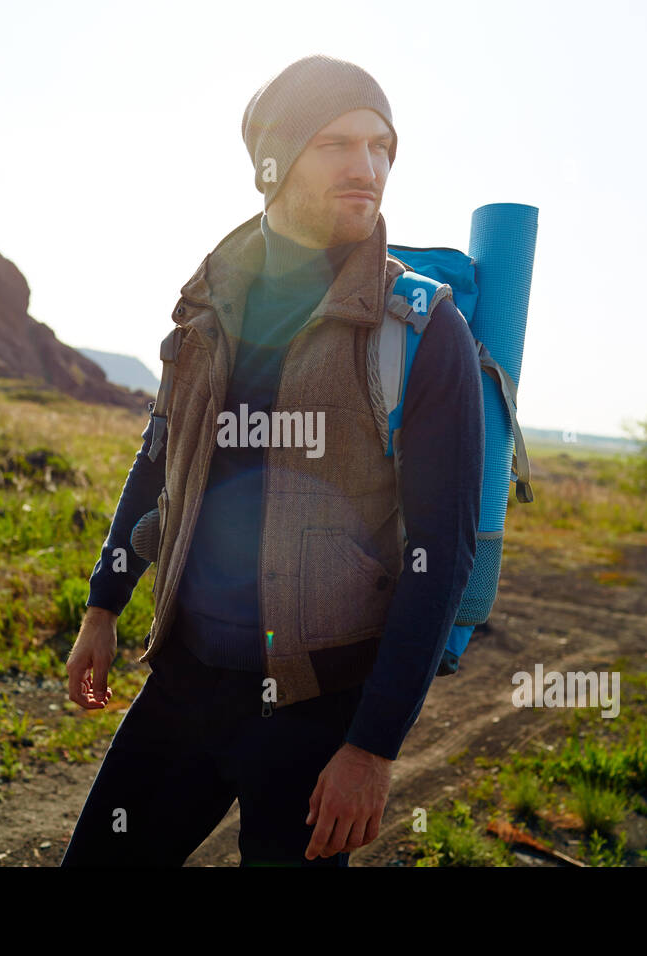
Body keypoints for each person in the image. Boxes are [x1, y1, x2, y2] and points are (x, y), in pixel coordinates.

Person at [60, 54, 484, 867]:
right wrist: (104, 604)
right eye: (336, 144)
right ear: (272, 163)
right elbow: (159, 458)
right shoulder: (207, 304)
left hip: (319, 713)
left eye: (383, 147)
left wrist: (372, 749)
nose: (369, 170)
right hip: (185, 682)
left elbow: (442, 554)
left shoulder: (422, 332)